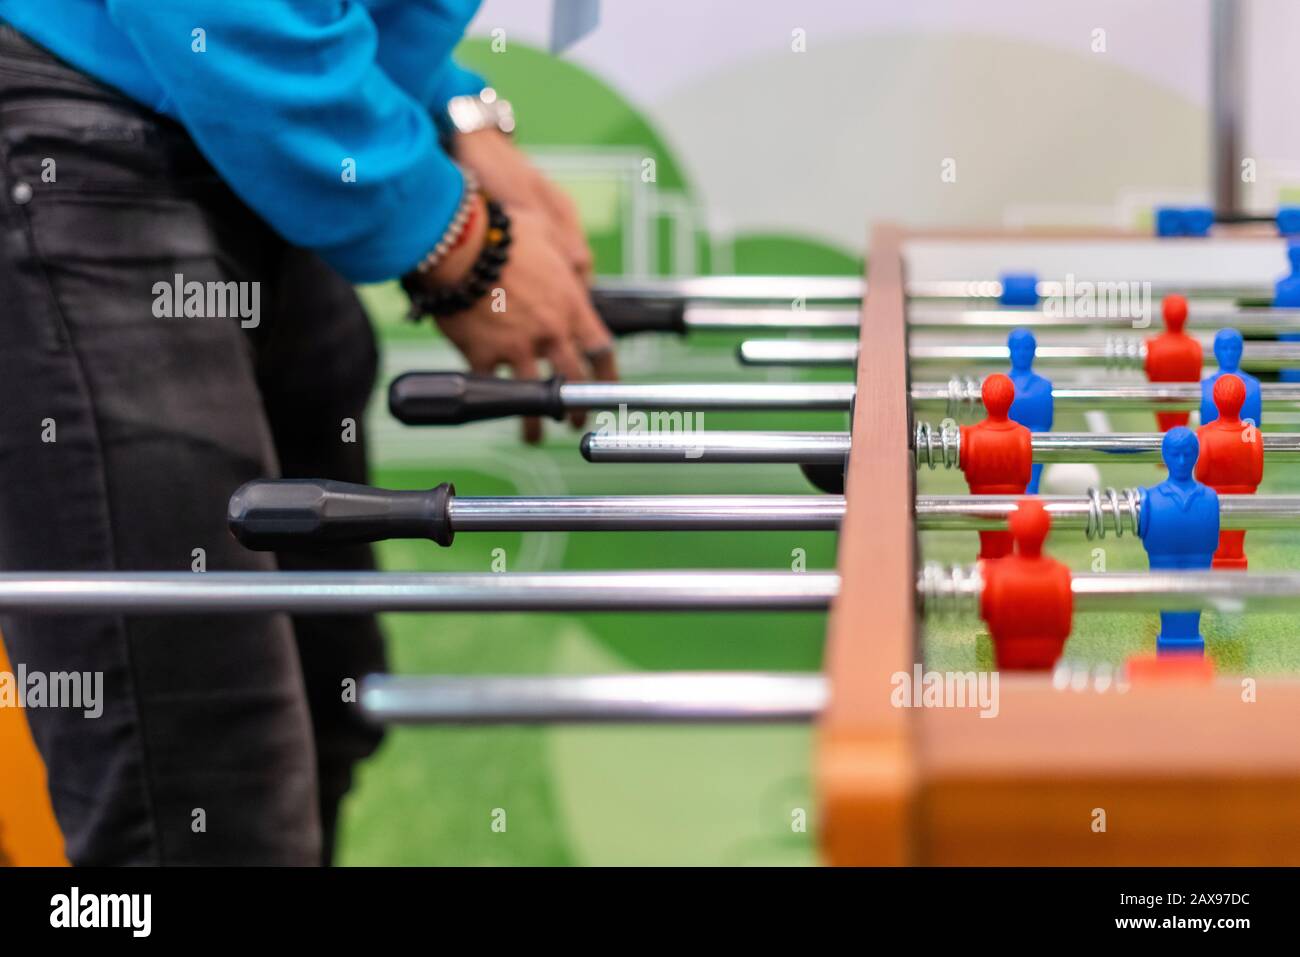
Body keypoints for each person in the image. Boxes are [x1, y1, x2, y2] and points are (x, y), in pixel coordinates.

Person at [0, 1, 614, 865]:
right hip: (86, 121)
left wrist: (448, 111)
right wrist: (460, 240)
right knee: (200, 796)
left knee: (326, 700)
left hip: (220, 125)